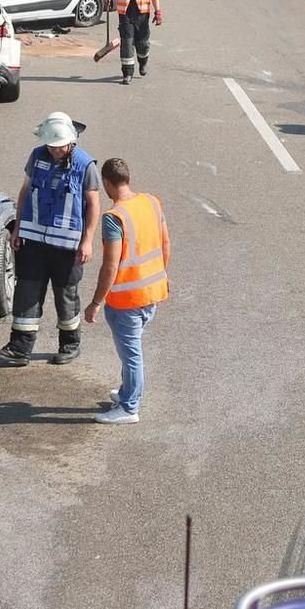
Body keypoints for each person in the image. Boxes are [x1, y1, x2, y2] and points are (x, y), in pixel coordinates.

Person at [0, 113, 101, 368]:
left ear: (71, 142)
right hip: (34, 243)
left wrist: (88, 241)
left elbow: (93, 204)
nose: (55, 150)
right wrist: (17, 229)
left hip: (67, 247)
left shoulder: (85, 164)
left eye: (59, 146)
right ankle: (19, 349)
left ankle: (70, 345)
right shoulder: (37, 156)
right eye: (51, 145)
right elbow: (26, 191)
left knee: (66, 296)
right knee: (26, 292)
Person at [84, 157, 170, 425]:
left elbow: (111, 265)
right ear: (128, 179)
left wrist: (96, 302)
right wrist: (164, 276)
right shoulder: (151, 202)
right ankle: (125, 393)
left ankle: (129, 407)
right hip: (151, 294)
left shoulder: (114, 218)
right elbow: (165, 243)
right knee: (130, 352)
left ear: (107, 183)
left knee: (131, 355)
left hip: (126, 300)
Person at [111, 0, 162, 85]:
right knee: (127, 43)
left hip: (142, 14)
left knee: (142, 43)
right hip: (126, 14)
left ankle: (143, 62)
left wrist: (158, 12)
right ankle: (127, 74)